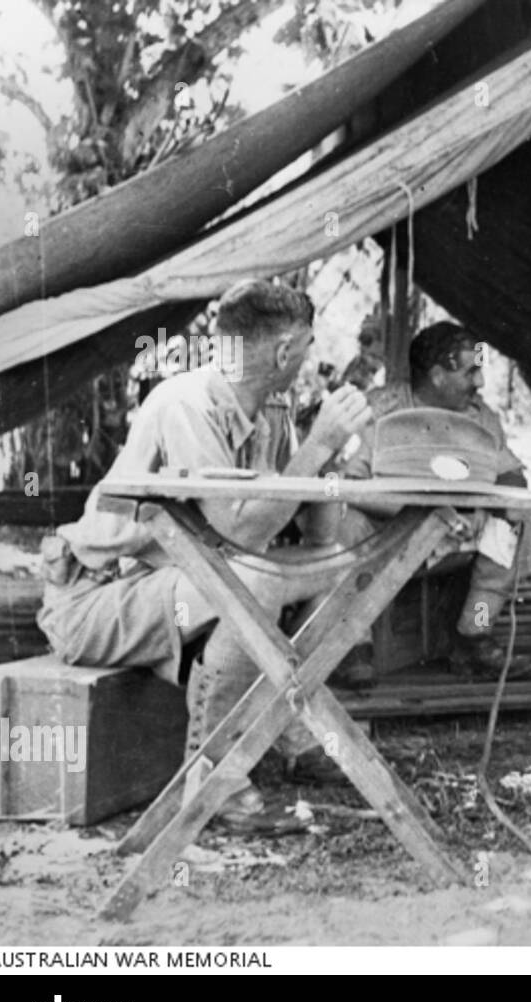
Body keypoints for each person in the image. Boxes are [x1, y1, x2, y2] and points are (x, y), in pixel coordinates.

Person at [37, 279, 374, 834]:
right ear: (284, 351)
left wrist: (329, 449)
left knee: (334, 567)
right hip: (93, 600)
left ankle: (290, 729)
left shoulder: (272, 411)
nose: (313, 357)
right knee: (251, 580)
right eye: (308, 345)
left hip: (179, 590)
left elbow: (320, 531)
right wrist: (315, 449)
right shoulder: (185, 405)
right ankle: (216, 780)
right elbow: (237, 535)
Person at [329, 322, 531, 684]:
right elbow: (349, 483)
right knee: (342, 521)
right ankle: (352, 647)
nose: (480, 383)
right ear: (438, 375)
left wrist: (478, 507)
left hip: (455, 536)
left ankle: (473, 635)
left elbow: (512, 477)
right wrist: (421, 512)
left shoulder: (480, 415)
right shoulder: (380, 411)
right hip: (389, 534)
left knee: (518, 518)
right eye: (470, 371)